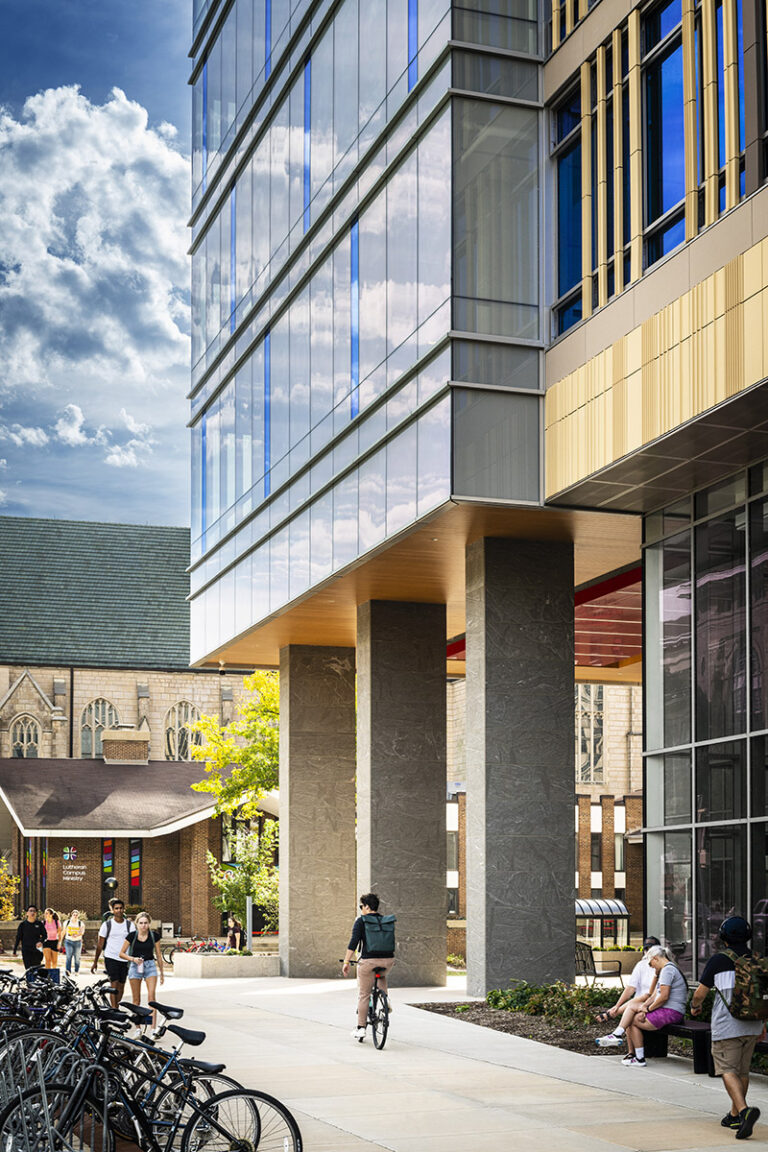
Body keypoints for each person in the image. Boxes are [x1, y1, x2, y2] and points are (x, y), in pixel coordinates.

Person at [691, 916, 762, 1140]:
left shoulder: (718, 960)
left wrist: (695, 1007)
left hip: (728, 1025)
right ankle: (733, 1115)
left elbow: (700, 993)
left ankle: (743, 1111)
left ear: (724, 937)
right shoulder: (756, 960)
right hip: (753, 1024)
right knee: (742, 1071)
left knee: (726, 1069)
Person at [596, 945, 688, 1066]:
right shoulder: (666, 970)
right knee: (632, 1017)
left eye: (650, 964)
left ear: (655, 958)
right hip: (667, 1010)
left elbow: (664, 997)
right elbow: (654, 996)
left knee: (632, 1012)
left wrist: (647, 1009)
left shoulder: (668, 970)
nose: (651, 966)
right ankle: (637, 1057)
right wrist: (645, 1007)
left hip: (672, 1012)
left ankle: (618, 1035)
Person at [342, 893, 395, 1043]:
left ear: (367, 907)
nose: (361, 909)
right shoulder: (386, 921)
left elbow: (353, 943)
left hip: (368, 962)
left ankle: (361, 1028)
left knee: (364, 994)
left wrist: (346, 961)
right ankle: (386, 1000)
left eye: (361, 906)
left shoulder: (361, 921)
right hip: (388, 961)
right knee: (381, 975)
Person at [594, 936, 661, 1027]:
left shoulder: (663, 967)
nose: (648, 953)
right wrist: (617, 1005)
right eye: (646, 949)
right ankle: (614, 1013)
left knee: (632, 1014)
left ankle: (611, 1015)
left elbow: (657, 994)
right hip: (636, 1003)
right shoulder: (641, 965)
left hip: (651, 1004)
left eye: (651, 950)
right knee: (629, 1014)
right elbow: (630, 988)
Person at [118, 911, 165, 1029]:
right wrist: (133, 959)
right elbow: (121, 954)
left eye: (146, 923)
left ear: (149, 924)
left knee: (151, 998)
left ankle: (152, 1028)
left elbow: (159, 955)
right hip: (135, 966)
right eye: (141, 923)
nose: (143, 925)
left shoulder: (154, 936)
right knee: (136, 999)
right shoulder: (131, 936)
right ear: (137, 924)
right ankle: (138, 1028)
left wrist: (162, 973)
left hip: (150, 966)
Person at [91, 899, 134, 1008]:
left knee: (121, 986)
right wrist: (95, 962)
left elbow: (134, 942)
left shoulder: (130, 925)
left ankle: (116, 1006)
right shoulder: (107, 925)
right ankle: (114, 1010)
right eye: (116, 908)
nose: (119, 910)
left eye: (121, 908)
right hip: (111, 958)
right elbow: (100, 944)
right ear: (112, 910)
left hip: (124, 959)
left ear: (124, 909)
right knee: (114, 984)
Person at [13, 905, 45, 973]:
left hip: (36, 951)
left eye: (34, 911)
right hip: (26, 950)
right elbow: (18, 937)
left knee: (36, 970)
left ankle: (35, 983)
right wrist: (14, 950)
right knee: (28, 969)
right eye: (30, 911)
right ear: (27, 913)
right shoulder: (22, 925)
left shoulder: (39, 924)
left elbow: (45, 935)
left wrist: (41, 941)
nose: (32, 912)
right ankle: (29, 983)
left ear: (36, 913)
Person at [61, 909, 85, 975]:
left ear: (78, 916)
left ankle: (76, 971)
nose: (75, 916)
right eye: (74, 915)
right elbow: (63, 932)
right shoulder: (67, 922)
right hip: (68, 941)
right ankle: (68, 971)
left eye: (76, 915)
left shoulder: (80, 923)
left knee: (77, 958)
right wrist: (60, 941)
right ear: (72, 915)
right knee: (69, 956)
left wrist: (77, 935)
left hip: (77, 942)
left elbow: (82, 932)